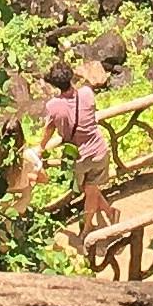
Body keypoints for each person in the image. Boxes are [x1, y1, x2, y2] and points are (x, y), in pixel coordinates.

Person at [38, 62, 114, 234]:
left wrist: (41, 147)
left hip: (78, 156)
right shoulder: (87, 93)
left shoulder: (53, 106)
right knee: (90, 187)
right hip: (99, 150)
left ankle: (87, 228)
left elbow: (49, 129)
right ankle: (109, 212)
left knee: (86, 188)